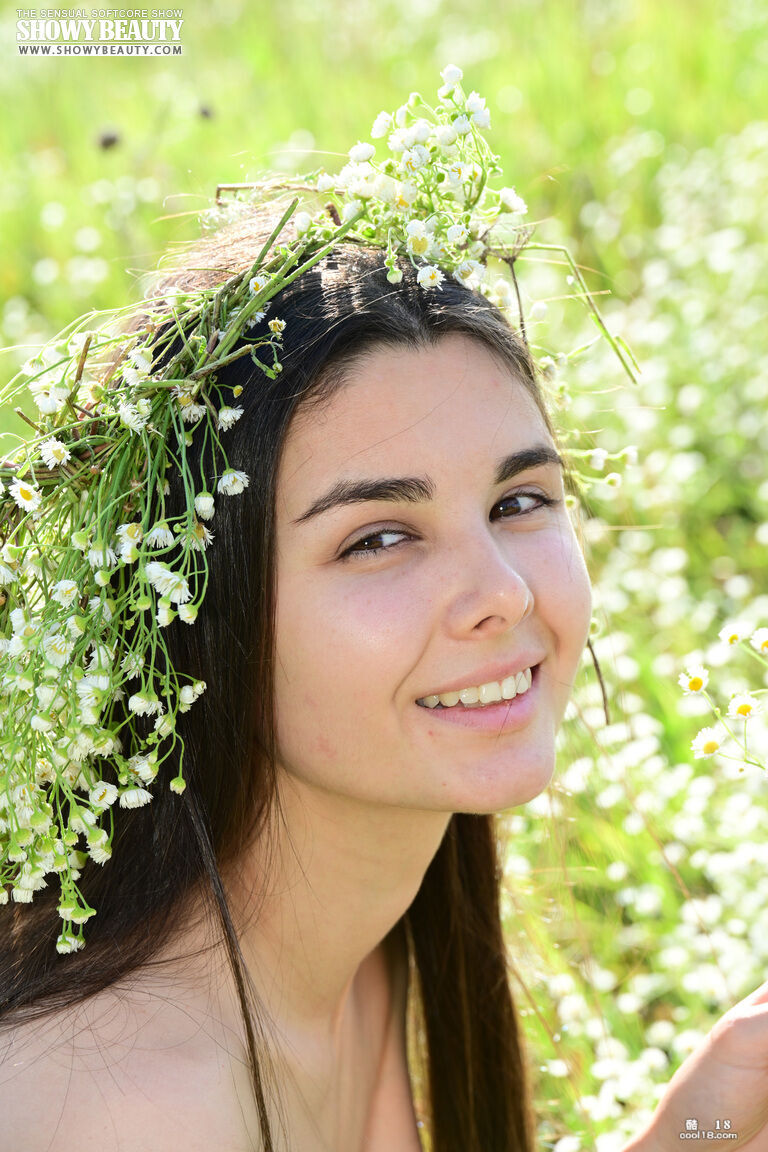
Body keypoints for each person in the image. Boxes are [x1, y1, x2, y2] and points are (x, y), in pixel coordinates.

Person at [3, 73, 768, 1152]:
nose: (503, 592)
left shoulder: (354, 951)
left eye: (519, 501)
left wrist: (705, 1125)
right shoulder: (125, 1107)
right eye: (378, 537)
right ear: (197, 619)